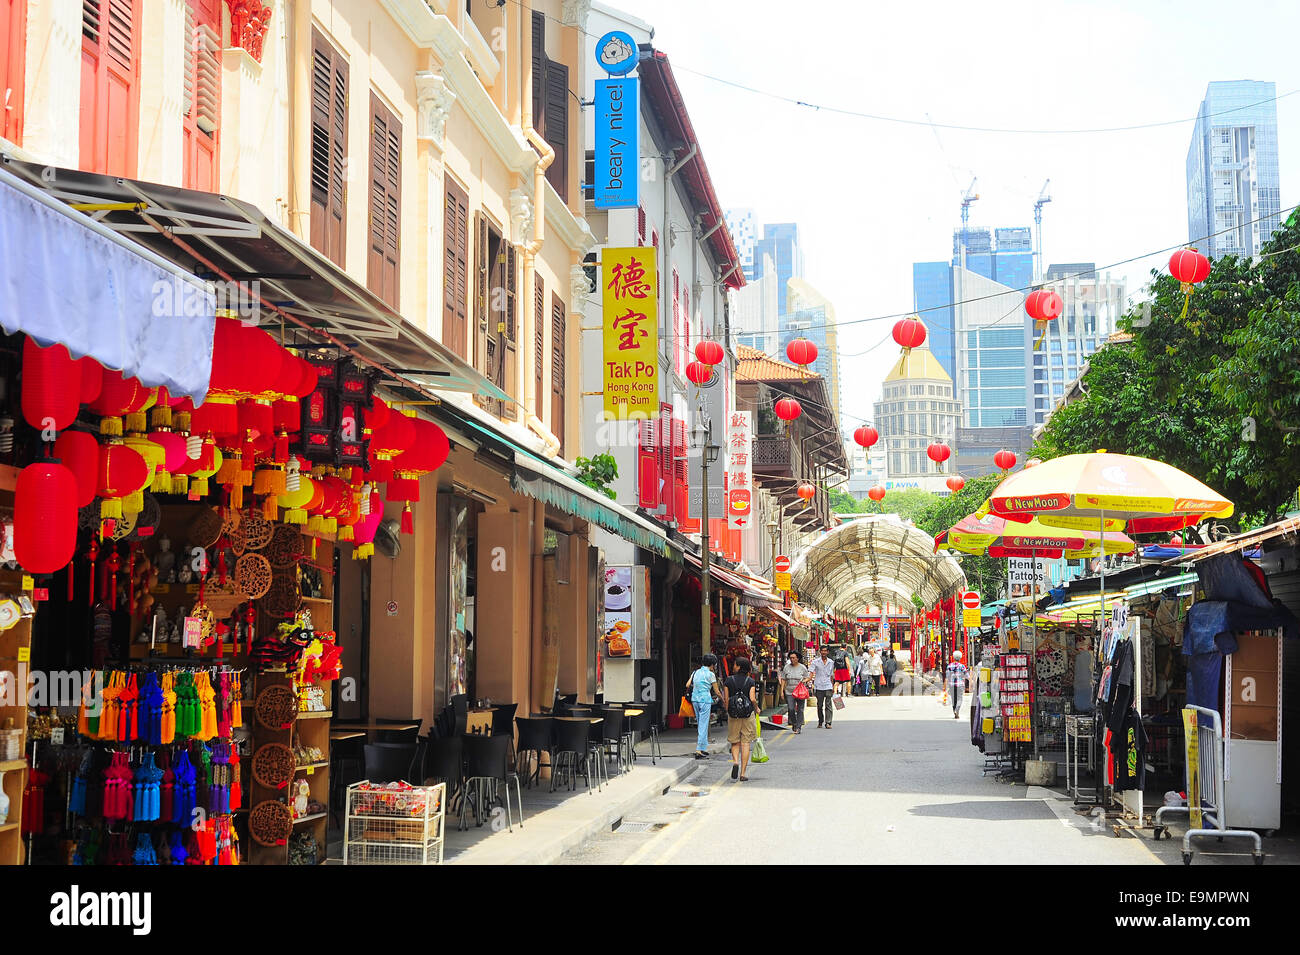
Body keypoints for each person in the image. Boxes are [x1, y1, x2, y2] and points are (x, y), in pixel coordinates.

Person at [723, 657, 760, 781]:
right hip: (747, 714)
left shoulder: (728, 680)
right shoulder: (750, 681)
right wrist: (756, 708)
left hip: (734, 715)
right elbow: (752, 698)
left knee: (734, 741)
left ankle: (735, 762)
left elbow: (726, 699)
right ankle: (743, 773)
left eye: (734, 664)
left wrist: (728, 711)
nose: (733, 666)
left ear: (738, 666)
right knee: (745, 743)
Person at [687, 654, 720, 757]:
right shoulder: (711, 674)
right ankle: (698, 750)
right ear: (712, 664)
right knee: (703, 724)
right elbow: (717, 691)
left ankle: (702, 748)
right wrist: (724, 699)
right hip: (705, 700)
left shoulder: (695, 672)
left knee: (701, 724)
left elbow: (687, 685)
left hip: (694, 699)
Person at [780, 651, 810, 733]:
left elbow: (807, 677)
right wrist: (781, 691)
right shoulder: (786, 667)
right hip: (789, 691)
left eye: (794, 658)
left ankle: (798, 727)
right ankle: (794, 723)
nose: (792, 659)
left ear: (798, 658)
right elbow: (783, 679)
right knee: (791, 708)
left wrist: (803, 681)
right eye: (791, 658)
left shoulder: (802, 667)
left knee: (800, 709)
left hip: (800, 692)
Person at [810, 645, 837, 728]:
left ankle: (828, 722)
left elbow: (832, 675)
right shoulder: (815, 662)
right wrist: (809, 682)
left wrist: (833, 686)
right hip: (818, 686)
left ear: (828, 652)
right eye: (822, 651)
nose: (824, 652)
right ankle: (820, 721)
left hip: (828, 685)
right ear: (820, 652)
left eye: (825, 651)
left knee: (828, 705)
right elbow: (811, 672)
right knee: (820, 705)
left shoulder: (831, 662)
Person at [946, 650, 969, 719]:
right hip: (960, 685)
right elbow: (967, 676)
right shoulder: (962, 666)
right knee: (959, 698)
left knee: (953, 698)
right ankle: (957, 710)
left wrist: (945, 686)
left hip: (951, 685)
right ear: (960, 658)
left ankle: (954, 711)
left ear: (953, 657)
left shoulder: (949, 666)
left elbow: (947, 676)